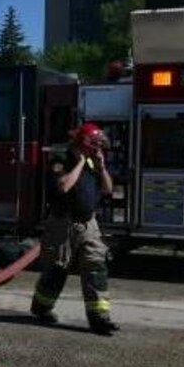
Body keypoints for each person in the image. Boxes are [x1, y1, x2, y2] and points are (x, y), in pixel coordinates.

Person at [30, 122, 120, 336]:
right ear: (81, 144)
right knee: (58, 269)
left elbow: (108, 190)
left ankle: (100, 318)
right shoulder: (61, 159)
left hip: (89, 223)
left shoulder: (93, 161)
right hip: (63, 223)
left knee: (96, 266)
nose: (97, 150)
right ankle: (42, 307)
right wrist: (79, 163)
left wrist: (101, 167)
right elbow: (63, 186)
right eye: (94, 146)